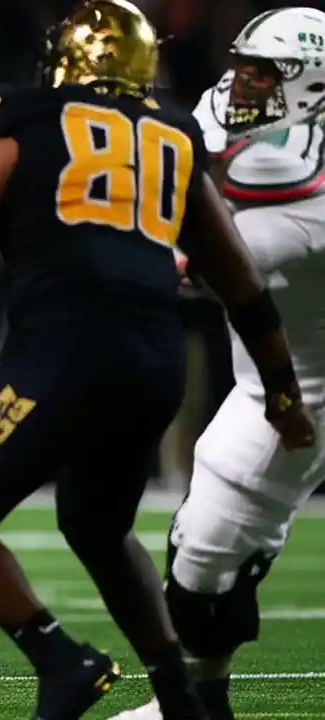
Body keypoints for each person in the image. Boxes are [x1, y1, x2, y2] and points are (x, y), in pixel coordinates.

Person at [0, 2, 317, 719]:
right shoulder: (174, 135)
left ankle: (62, 659)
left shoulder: (21, 114)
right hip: (152, 364)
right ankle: (178, 693)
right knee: (96, 526)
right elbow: (241, 281)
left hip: (63, 352)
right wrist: (283, 397)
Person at [112, 7, 325, 720]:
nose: (240, 81)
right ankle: (203, 701)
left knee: (208, 551)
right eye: (241, 63)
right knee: (199, 549)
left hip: (306, 387)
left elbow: (217, 264)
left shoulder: (294, 172)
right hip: (264, 372)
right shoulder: (239, 120)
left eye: (262, 71)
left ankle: (192, 706)